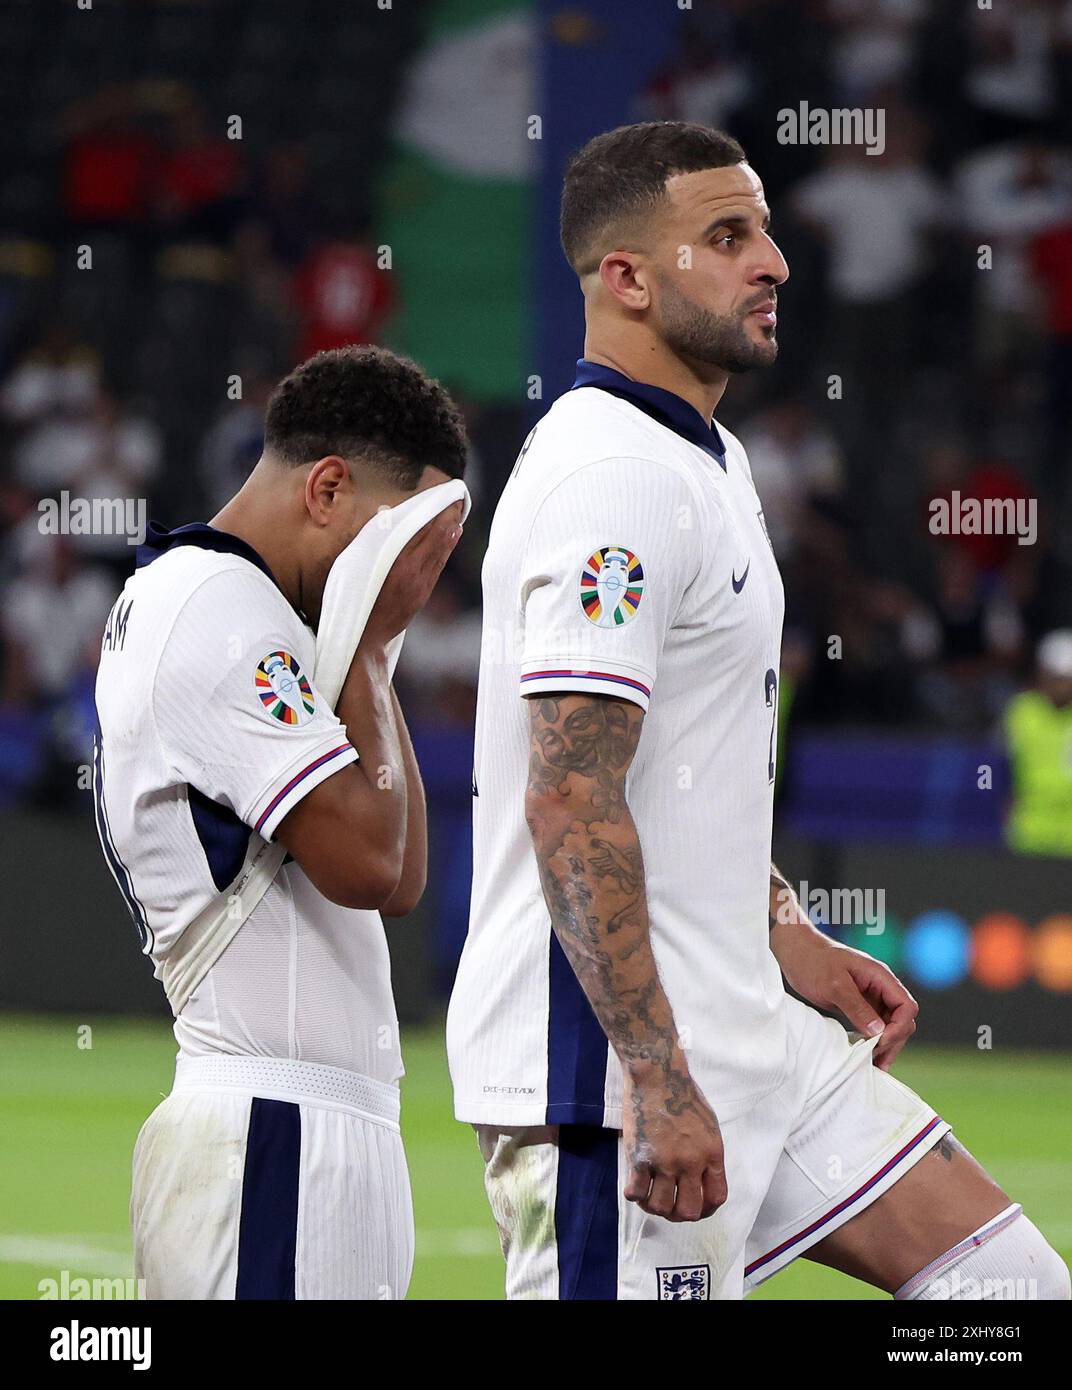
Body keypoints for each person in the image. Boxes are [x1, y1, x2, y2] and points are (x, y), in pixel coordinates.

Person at [446, 121, 1069, 1301]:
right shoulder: (611, 478)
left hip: (751, 1030)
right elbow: (571, 794)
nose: (774, 259)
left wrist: (777, 923)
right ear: (625, 277)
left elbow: (682, 771)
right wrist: (657, 1076)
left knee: (1009, 1297)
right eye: (726, 236)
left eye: (767, 228)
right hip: (616, 1074)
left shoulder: (710, 459)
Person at [93, 345, 468, 1298]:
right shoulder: (215, 605)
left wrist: (367, 647)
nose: (412, 582)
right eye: (402, 545)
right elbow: (370, 865)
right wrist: (373, 646)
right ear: (329, 488)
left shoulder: (249, 610)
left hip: (307, 1130)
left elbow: (403, 878)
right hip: (269, 1131)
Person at [1004, 630, 1072, 858]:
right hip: (1031, 828)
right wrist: (989, 791)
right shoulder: (1021, 711)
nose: (1064, 686)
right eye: (1059, 678)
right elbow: (989, 766)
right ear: (1043, 674)